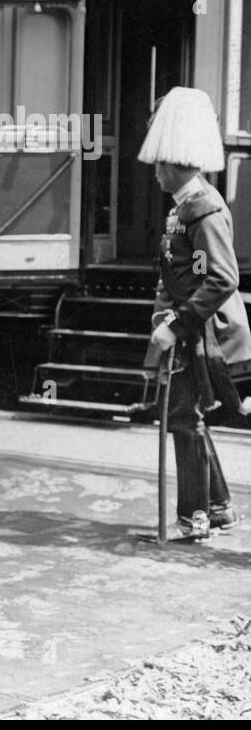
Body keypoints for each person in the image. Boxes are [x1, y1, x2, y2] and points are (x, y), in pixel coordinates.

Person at [140, 87, 247, 537]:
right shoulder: (185, 207)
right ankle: (218, 507)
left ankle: (194, 518)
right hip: (189, 328)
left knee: (184, 417)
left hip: (200, 332)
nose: (155, 171)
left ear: (174, 160)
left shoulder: (201, 209)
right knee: (189, 415)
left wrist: (176, 325)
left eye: (160, 162)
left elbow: (223, 278)